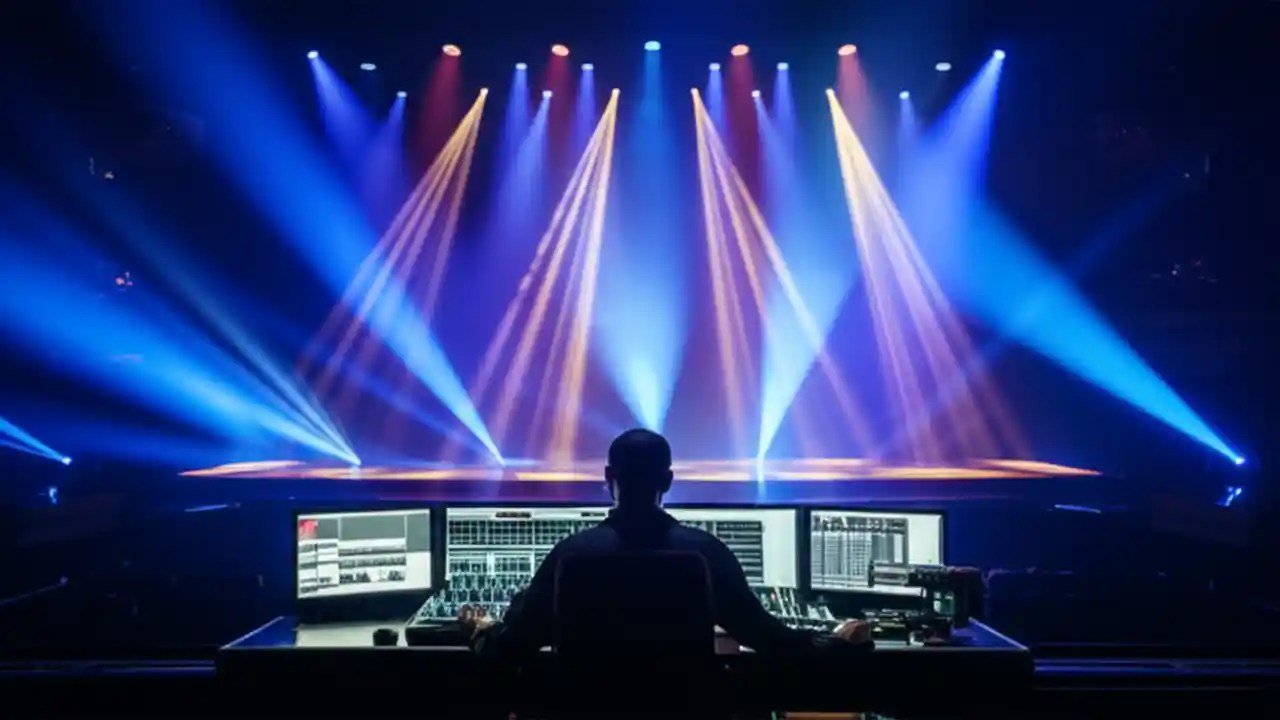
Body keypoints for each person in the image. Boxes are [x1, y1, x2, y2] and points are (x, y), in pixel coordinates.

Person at [459, 428, 872, 659]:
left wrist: (481, 629)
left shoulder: (571, 555)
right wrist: (838, 639)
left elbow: (511, 648)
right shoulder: (704, 554)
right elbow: (771, 640)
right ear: (669, 481)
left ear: (608, 478)